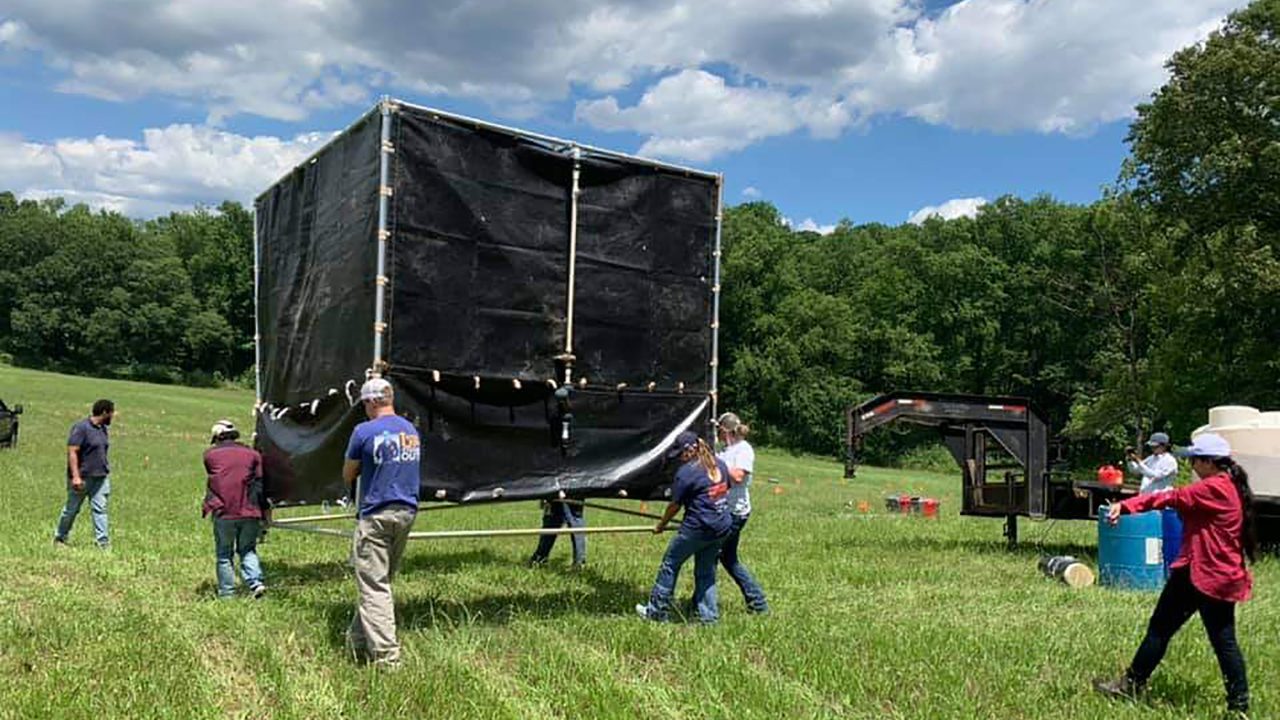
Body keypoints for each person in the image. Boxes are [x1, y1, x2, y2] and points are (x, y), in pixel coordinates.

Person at [1094, 433, 1256, 718]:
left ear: (1208, 462)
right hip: (1216, 572)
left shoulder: (1215, 487)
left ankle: (1132, 685)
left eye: (1195, 459)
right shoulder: (1228, 484)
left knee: (1161, 630)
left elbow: (1171, 496)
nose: (1191, 464)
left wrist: (1126, 506)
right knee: (1223, 640)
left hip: (1202, 573)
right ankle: (1239, 707)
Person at [342, 378, 421, 668]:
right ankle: (357, 640)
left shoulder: (363, 431)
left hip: (376, 515)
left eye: (364, 403)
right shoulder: (410, 430)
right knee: (379, 581)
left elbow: (349, 473)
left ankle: (387, 659)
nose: (363, 408)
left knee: (374, 586)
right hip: (406, 512)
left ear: (373, 401)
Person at [635, 430, 733, 624]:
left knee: (670, 565)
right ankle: (709, 618)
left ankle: (656, 612)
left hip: (697, 529)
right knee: (706, 571)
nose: (680, 457)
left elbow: (674, 506)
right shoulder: (719, 464)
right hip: (721, 526)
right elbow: (725, 490)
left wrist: (661, 525)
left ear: (691, 450)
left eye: (682, 453)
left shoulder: (687, 472)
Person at [201, 419, 268, 599]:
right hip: (250, 510)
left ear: (217, 437)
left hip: (224, 511)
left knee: (224, 554)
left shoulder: (209, 455)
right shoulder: (254, 455)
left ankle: (227, 594)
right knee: (248, 550)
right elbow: (260, 485)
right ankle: (256, 583)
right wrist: (264, 512)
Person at [715, 412, 769, 614]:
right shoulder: (726, 450)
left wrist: (716, 464)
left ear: (725, 430)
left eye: (718, 429)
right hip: (724, 510)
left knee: (710, 556)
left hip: (734, 513)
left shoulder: (744, 450)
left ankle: (703, 607)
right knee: (729, 559)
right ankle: (758, 603)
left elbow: (737, 476)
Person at [54, 399, 116, 548]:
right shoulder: (81, 428)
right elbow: (72, 452)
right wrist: (75, 477)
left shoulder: (102, 429)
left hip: (100, 478)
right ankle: (60, 538)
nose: (113, 416)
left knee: (100, 510)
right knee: (71, 510)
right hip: (82, 478)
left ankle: (103, 543)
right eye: (112, 413)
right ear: (104, 412)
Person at [526, 500, 586, 570]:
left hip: (567, 492)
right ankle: (539, 559)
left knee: (558, 519)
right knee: (554, 520)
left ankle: (539, 559)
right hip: (566, 493)